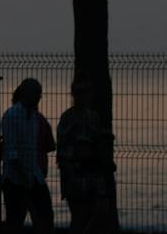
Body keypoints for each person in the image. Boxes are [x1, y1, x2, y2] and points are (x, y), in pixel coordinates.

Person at [56, 77, 114, 234]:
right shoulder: (67, 118)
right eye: (80, 92)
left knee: (102, 211)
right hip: (75, 171)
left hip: (93, 171)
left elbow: (97, 143)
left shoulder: (93, 117)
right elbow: (62, 152)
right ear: (73, 94)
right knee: (79, 216)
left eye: (87, 92)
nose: (83, 96)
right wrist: (70, 174)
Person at [0, 78, 54, 231]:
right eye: (36, 94)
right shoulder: (11, 115)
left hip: (33, 175)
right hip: (16, 177)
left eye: (39, 94)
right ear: (25, 93)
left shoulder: (35, 117)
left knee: (45, 216)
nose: (39, 97)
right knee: (16, 220)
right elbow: (11, 151)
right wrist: (24, 176)